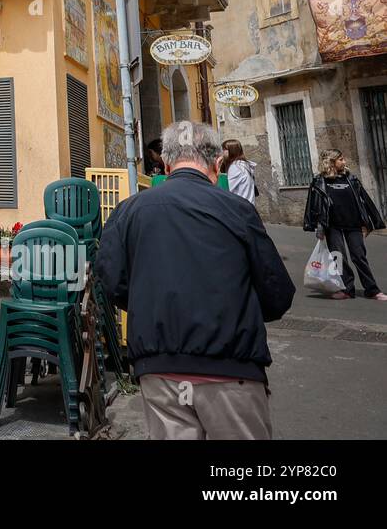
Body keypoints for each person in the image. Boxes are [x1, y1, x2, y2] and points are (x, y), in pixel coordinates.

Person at [96, 121, 295, 439]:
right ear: (218, 163)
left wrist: (149, 307)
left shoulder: (129, 211)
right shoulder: (237, 210)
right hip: (230, 368)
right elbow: (277, 293)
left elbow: (111, 279)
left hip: (158, 369)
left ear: (165, 162)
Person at [303, 149, 387, 300]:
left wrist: (369, 223)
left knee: (359, 256)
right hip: (333, 226)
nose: (344, 162)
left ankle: (372, 290)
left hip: (354, 224)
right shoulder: (319, 181)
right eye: (341, 159)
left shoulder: (351, 179)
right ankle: (347, 290)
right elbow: (315, 207)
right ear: (331, 162)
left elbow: (365, 200)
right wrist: (319, 228)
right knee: (339, 258)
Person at [221, 139, 257, 207]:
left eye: (224, 149)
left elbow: (226, 190)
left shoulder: (235, 167)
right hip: (248, 206)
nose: (222, 152)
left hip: (241, 208)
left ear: (232, 151)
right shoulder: (243, 165)